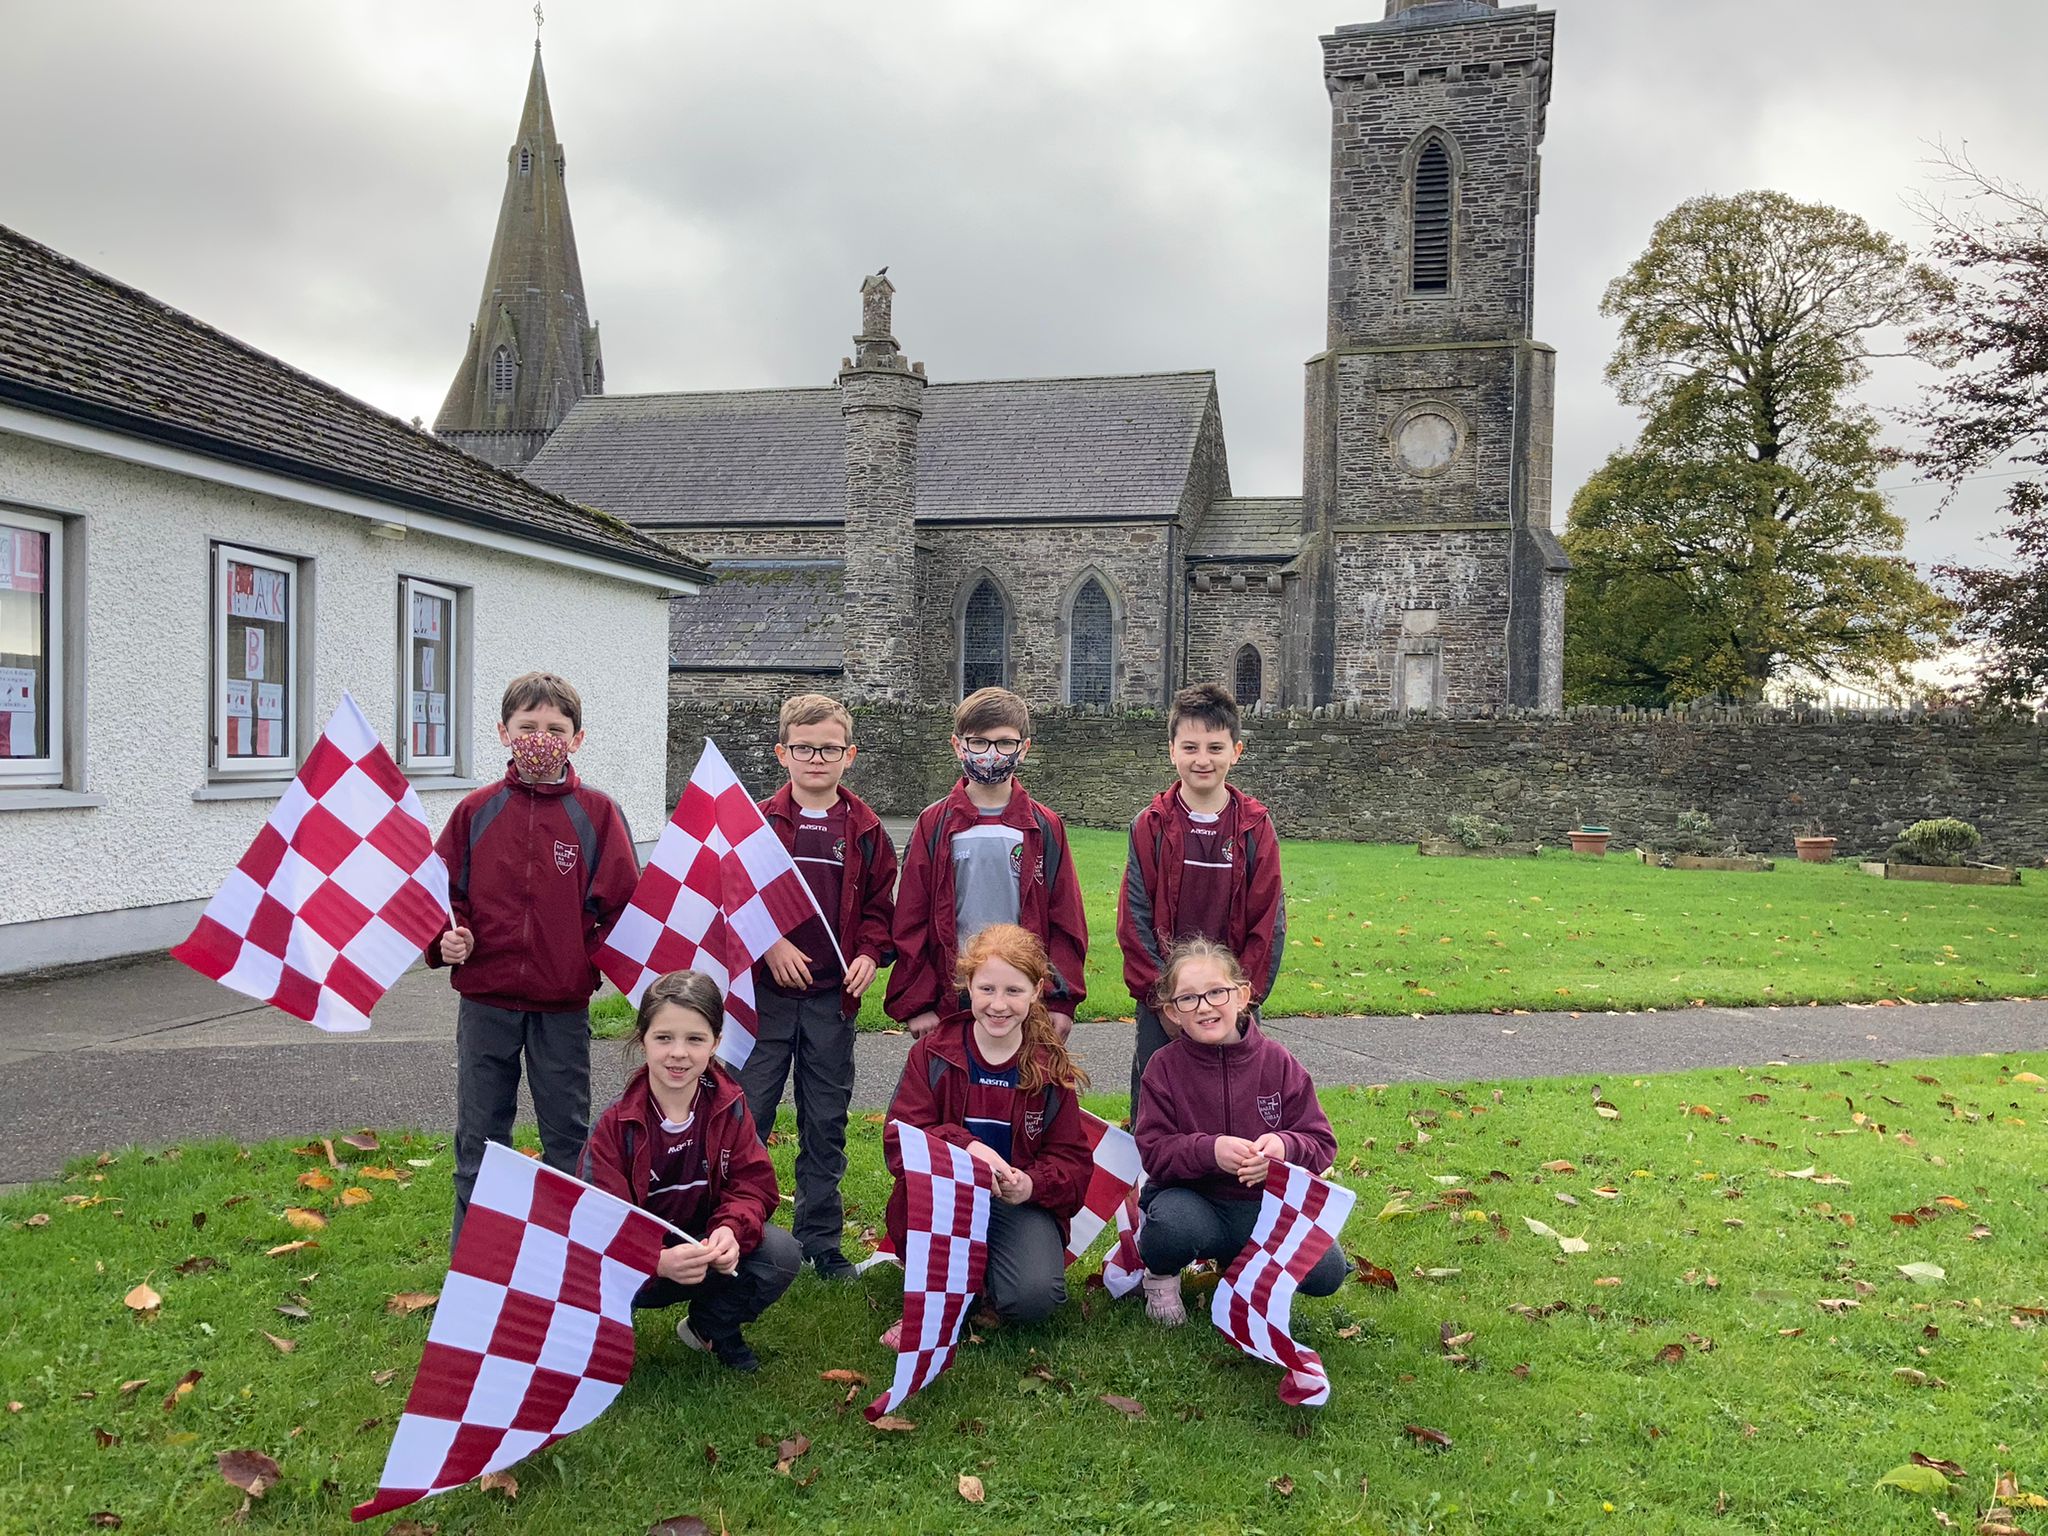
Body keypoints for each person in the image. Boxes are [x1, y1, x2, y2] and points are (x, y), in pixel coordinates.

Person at [429, 671, 639, 1243]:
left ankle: (562, 1267)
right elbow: (440, 897)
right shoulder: (475, 811)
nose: (539, 737)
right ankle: (471, 1269)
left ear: (577, 738)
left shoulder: (596, 815)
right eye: (527, 726)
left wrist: (587, 961)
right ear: (502, 732)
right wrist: (448, 940)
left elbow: (622, 908)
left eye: (554, 728)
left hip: (560, 1008)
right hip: (485, 1003)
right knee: (480, 1139)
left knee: (568, 1140)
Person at [737, 693, 898, 1283]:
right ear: (782, 753)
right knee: (747, 1115)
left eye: (829, 749)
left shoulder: (866, 829)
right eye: (803, 748)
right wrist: (769, 943)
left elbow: (883, 908)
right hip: (766, 1002)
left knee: (825, 1119)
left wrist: (868, 954)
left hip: (832, 1001)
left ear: (848, 755)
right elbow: (734, 900)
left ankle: (820, 1242)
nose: (816, 759)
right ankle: (740, 1231)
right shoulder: (755, 824)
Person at [579, 971, 799, 1373]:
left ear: (716, 1043)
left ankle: (710, 1326)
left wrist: (730, 1230)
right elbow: (596, 1225)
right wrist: (656, 1260)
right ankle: (601, 1337)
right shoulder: (615, 1125)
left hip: (703, 1252)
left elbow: (755, 1186)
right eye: (664, 1038)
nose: (678, 1053)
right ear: (642, 1038)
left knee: (780, 1253)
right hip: (638, 1265)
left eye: (695, 1039)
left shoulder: (730, 1105)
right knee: (583, 1296)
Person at [880, 924, 1092, 1337]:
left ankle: (983, 1284)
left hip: (1016, 1204)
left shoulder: (1049, 1068)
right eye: (987, 989)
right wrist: (969, 1148)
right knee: (919, 1203)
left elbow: (1075, 1166)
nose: (999, 1005)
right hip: (944, 1200)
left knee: (1034, 1298)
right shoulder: (934, 1052)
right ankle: (943, 1295)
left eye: (1014, 991)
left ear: (1035, 992)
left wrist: (1030, 1185)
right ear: (968, 988)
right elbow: (899, 1140)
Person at [1131, 938, 1342, 1327]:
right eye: (1188, 999)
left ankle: (1239, 1267)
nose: (1205, 1006)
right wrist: (1210, 1151)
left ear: (1242, 996)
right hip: (1192, 1202)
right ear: (1173, 1012)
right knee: (1170, 1229)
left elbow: (1322, 1142)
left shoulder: (1277, 1062)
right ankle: (1160, 1276)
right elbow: (1154, 1152)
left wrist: (1283, 1147)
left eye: (1217, 992)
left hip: (1261, 1207)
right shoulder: (1163, 1067)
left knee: (1327, 1270)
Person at [1116, 681, 1284, 1113]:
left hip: (1232, 998)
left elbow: (1268, 921)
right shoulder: (1150, 824)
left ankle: (1233, 1175)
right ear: (1172, 750)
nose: (1202, 759)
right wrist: (1166, 1000)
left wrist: (1241, 997)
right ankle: (1153, 1177)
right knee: (1158, 1100)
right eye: (1190, 747)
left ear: (1236, 751)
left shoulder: (1255, 827)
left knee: (1237, 1101)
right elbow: (1134, 918)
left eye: (1215, 747)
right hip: (1165, 1001)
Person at [885, 686, 1088, 1040]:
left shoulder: (1044, 826)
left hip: (1023, 994)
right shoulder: (934, 824)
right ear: (957, 745)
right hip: (953, 994)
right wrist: (917, 1003)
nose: (991, 754)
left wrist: (1060, 999)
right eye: (978, 742)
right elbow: (911, 919)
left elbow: (1065, 916)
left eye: (1004, 743)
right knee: (951, 1089)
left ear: (1023, 748)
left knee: (1025, 1088)